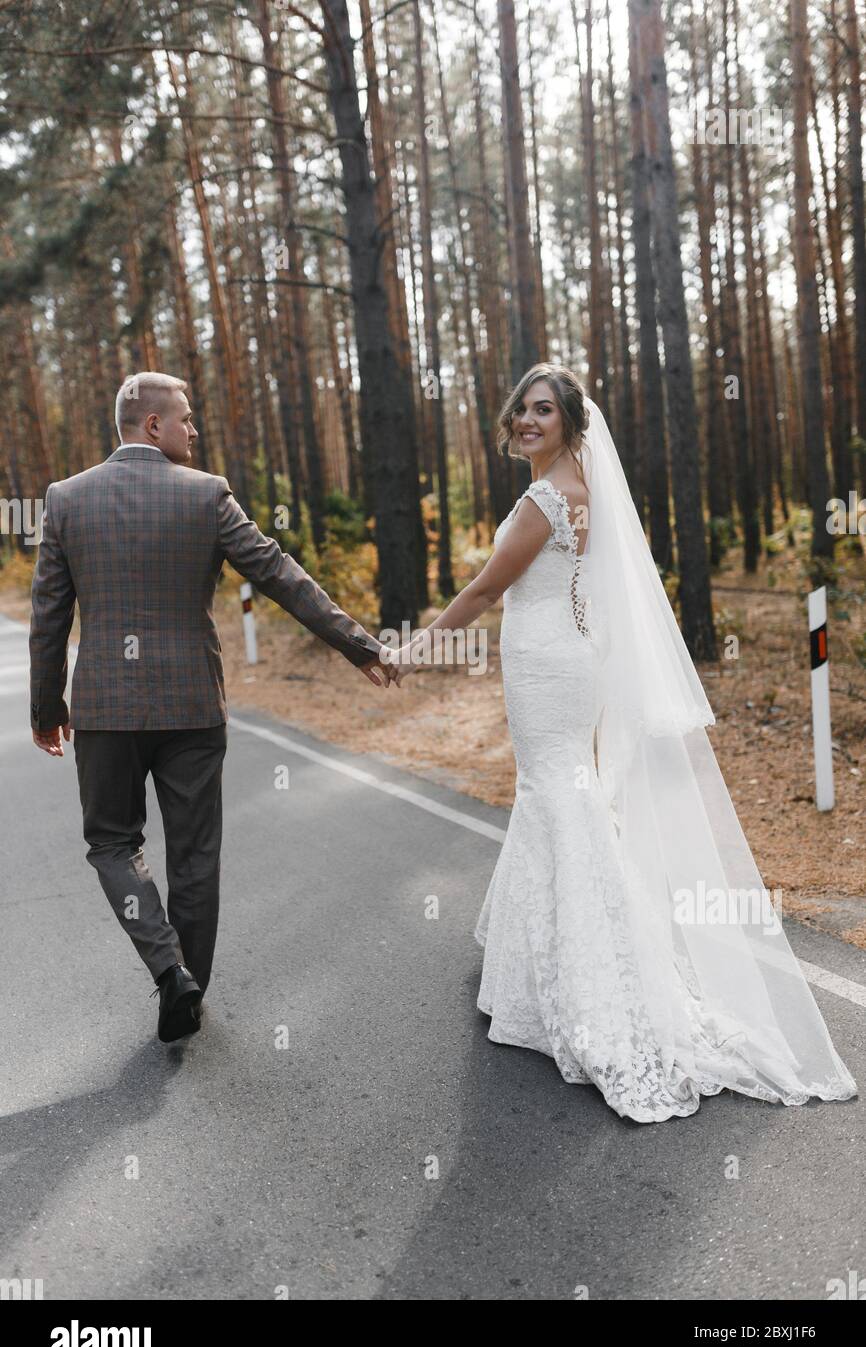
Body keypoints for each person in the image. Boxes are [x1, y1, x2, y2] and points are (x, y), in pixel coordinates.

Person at [390, 363, 857, 1123]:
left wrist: (414, 651)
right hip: (566, 664)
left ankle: (598, 984)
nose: (529, 422)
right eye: (523, 411)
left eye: (545, 411)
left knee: (557, 801)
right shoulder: (586, 488)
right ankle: (553, 969)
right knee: (559, 798)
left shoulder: (547, 497)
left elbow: (483, 589)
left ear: (573, 424)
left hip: (548, 669)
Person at [29, 371, 397, 1043]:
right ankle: (188, 994)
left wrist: (45, 707)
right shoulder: (207, 496)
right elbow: (278, 572)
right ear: (153, 426)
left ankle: (171, 973)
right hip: (192, 703)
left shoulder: (66, 499)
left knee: (113, 843)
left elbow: (49, 616)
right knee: (195, 855)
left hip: (105, 708)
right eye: (187, 419)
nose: (195, 431)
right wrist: (357, 644)